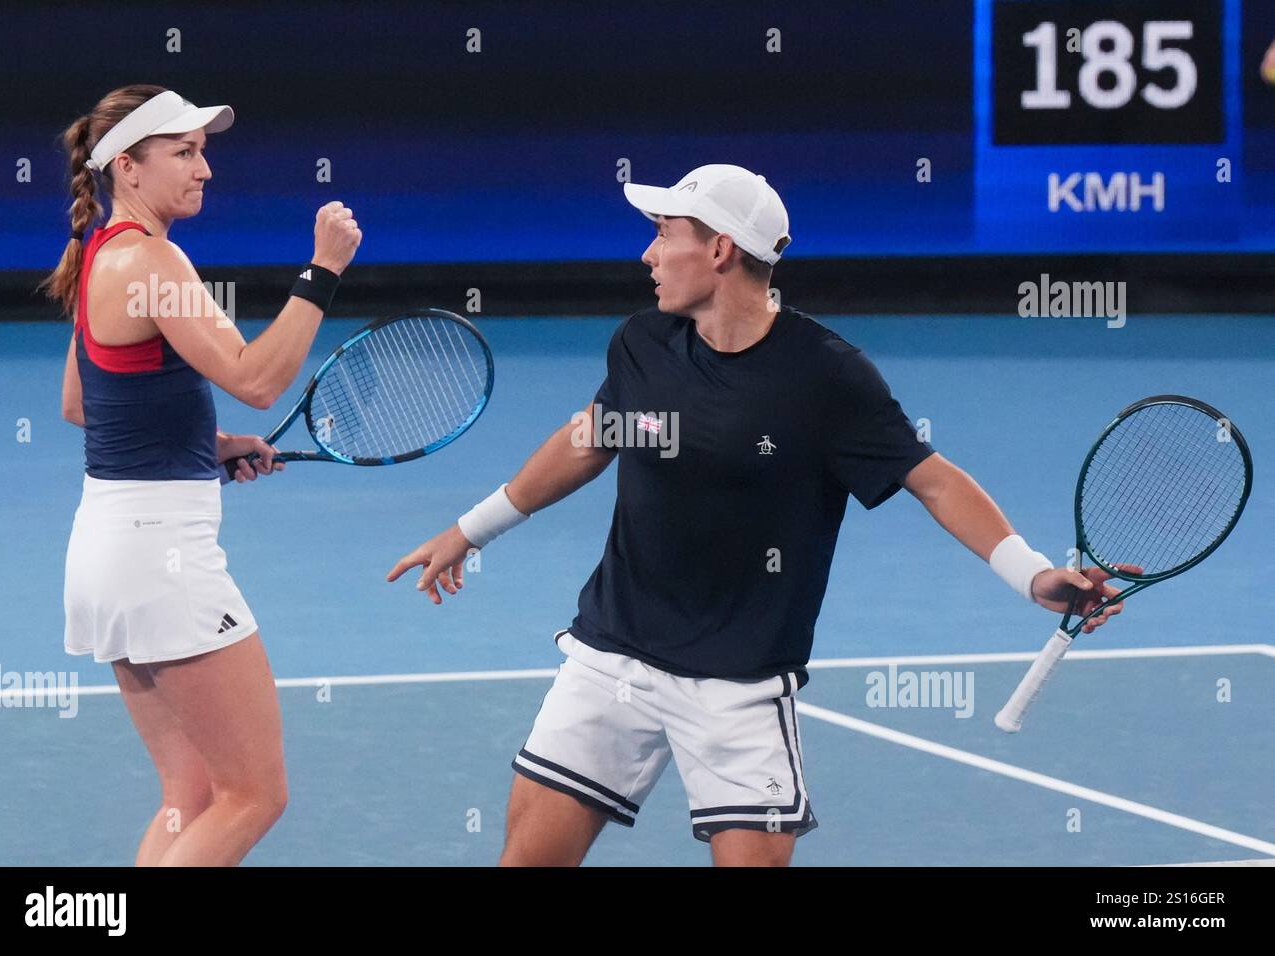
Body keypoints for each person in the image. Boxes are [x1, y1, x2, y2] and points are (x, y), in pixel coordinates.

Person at [387, 164, 1130, 867]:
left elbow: (933, 481)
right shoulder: (643, 343)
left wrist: (1032, 575)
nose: (647, 254)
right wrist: (467, 531)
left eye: (664, 234)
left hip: (738, 685)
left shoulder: (827, 376)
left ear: (718, 249)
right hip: (613, 656)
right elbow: (588, 442)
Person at [44, 84, 361, 865]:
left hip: (106, 549)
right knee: (256, 795)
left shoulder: (98, 255)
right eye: (183, 152)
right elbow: (256, 377)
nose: (205, 169)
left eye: (203, 150)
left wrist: (205, 445)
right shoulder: (152, 259)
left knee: (190, 802)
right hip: (161, 561)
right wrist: (322, 271)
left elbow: (82, 403)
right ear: (129, 168)